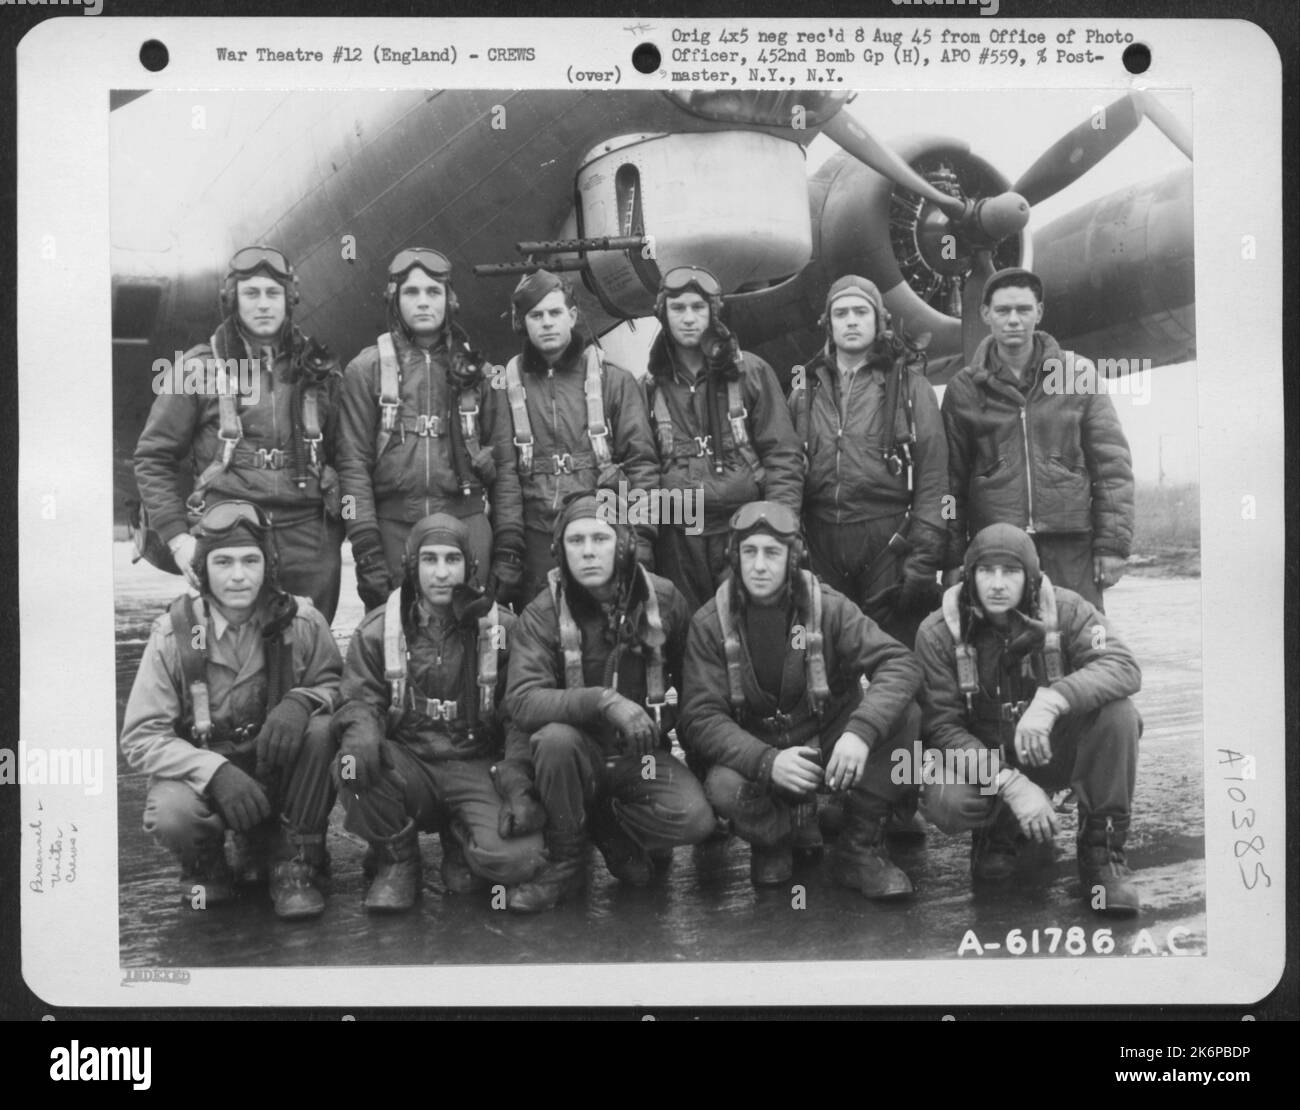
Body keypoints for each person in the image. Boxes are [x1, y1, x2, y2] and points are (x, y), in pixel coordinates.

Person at [679, 501, 924, 896]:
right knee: (723, 785)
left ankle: (858, 848)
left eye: (772, 553)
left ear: (793, 558)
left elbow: (900, 663)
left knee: (904, 717)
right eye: (749, 552)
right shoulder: (709, 624)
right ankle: (777, 838)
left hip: (828, 737)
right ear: (734, 557)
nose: (759, 565)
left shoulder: (830, 607)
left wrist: (860, 732)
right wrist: (766, 761)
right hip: (760, 753)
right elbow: (700, 717)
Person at [120, 501, 343, 920]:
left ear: (268, 565)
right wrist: (215, 772)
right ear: (202, 570)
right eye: (222, 562)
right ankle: (206, 864)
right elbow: (142, 737)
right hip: (210, 781)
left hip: (280, 769)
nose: (238, 575)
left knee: (323, 731)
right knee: (172, 810)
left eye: (250, 560)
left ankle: (295, 860)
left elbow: (337, 687)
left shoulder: (304, 621)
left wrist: (301, 702)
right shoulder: (174, 634)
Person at [500, 492, 716, 913]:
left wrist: (705, 771)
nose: (587, 552)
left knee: (695, 818)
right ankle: (566, 859)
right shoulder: (542, 612)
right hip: (571, 758)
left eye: (599, 539)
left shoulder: (665, 599)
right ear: (559, 549)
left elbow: (697, 693)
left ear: (623, 544)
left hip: (639, 754)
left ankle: (608, 823)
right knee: (556, 739)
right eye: (575, 541)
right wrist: (603, 701)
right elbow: (523, 701)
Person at [915, 522, 1143, 915]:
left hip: (1049, 748)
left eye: (1011, 572)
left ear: (1031, 577)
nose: (998, 584)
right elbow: (942, 729)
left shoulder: (1068, 609)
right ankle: (997, 832)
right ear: (970, 577)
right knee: (947, 798)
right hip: (987, 759)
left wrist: (1054, 699)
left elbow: (1123, 665)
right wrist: (1009, 783)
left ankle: (1101, 853)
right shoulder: (938, 632)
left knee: (1119, 715)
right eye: (986, 571)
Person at [329, 513, 545, 912]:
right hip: (409, 763)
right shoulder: (378, 629)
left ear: (470, 567)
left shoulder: (503, 629)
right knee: (349, 766)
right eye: (430, 560)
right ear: (412, 566)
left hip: (478, 765)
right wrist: (360, 728)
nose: (442, 573)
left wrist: (518, 782)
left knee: (520, 860)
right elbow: (359, 698)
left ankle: (460, 837)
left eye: (452, 560)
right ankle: (397, 859)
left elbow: (520, 713)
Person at [133, 245, 346, 622]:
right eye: (251, 293)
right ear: (232, 300)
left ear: (289, 299)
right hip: (230, 532)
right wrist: (179, 539)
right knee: (231, 662)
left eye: (273, 294)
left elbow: (348, 458)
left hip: (308, 538)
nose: (263, 304)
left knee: (312, 659)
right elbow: (154, 457)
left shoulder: (320, 372)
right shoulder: (198, 369)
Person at [336, 248, 525, 612]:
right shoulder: (365, 371)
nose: (423, 302)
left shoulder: (483, 375)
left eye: (433, 292)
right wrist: (366, 551)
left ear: (449, 299)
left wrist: (509, 547)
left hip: (467, 526)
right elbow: (352, 468)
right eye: (411, 292)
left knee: (474, 650)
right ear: (394, 299)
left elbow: (506, 471)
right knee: (393, 644)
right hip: (394, 531)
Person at [941, 267, 1135, 609]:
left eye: (1023, 310)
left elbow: (1111, 466)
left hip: (1070, 547)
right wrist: (953, 556)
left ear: (1039, 312)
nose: (1013, 320)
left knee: (1080, 644)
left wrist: (1112, 546)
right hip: (996, 549)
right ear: (985, 314)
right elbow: (950, 483)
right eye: (1002, 311)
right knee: (1003, 650)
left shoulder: (1076, 374)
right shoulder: (964, 389)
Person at [788, 275, 947, 647]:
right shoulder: (804, 391)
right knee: (824, 662)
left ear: (879, 321)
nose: (852, 320)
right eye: (841, 313)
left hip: (887, 541)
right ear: (828, 324)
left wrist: (924, 554)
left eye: (861, 311)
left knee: (899, 659)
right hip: (821, 538)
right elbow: (788, 468)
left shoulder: (911, 388)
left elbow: (935, 477)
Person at [643, 265, 804, 611]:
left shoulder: (751, 372)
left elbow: (783, 457)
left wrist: (778, 527)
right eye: (678, 308)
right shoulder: (649, 387)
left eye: (698, 308)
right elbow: (640, 466)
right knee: (687, 637)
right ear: (663, 314)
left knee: (743, 629)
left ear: (714, 313)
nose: (689, 318)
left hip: (744, 527)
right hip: (679, 535)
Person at [500, 270, 660, 601]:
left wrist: (641, 539)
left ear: (572, 316)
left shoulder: (613, 381)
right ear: (523, 322)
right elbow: (504, 476)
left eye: (555, 313)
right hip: (537, 540)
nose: (546, 323)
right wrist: (509, 549)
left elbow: (642, 464)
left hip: (602, 529)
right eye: (536, 315)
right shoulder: (504, 388)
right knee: (543, 629)